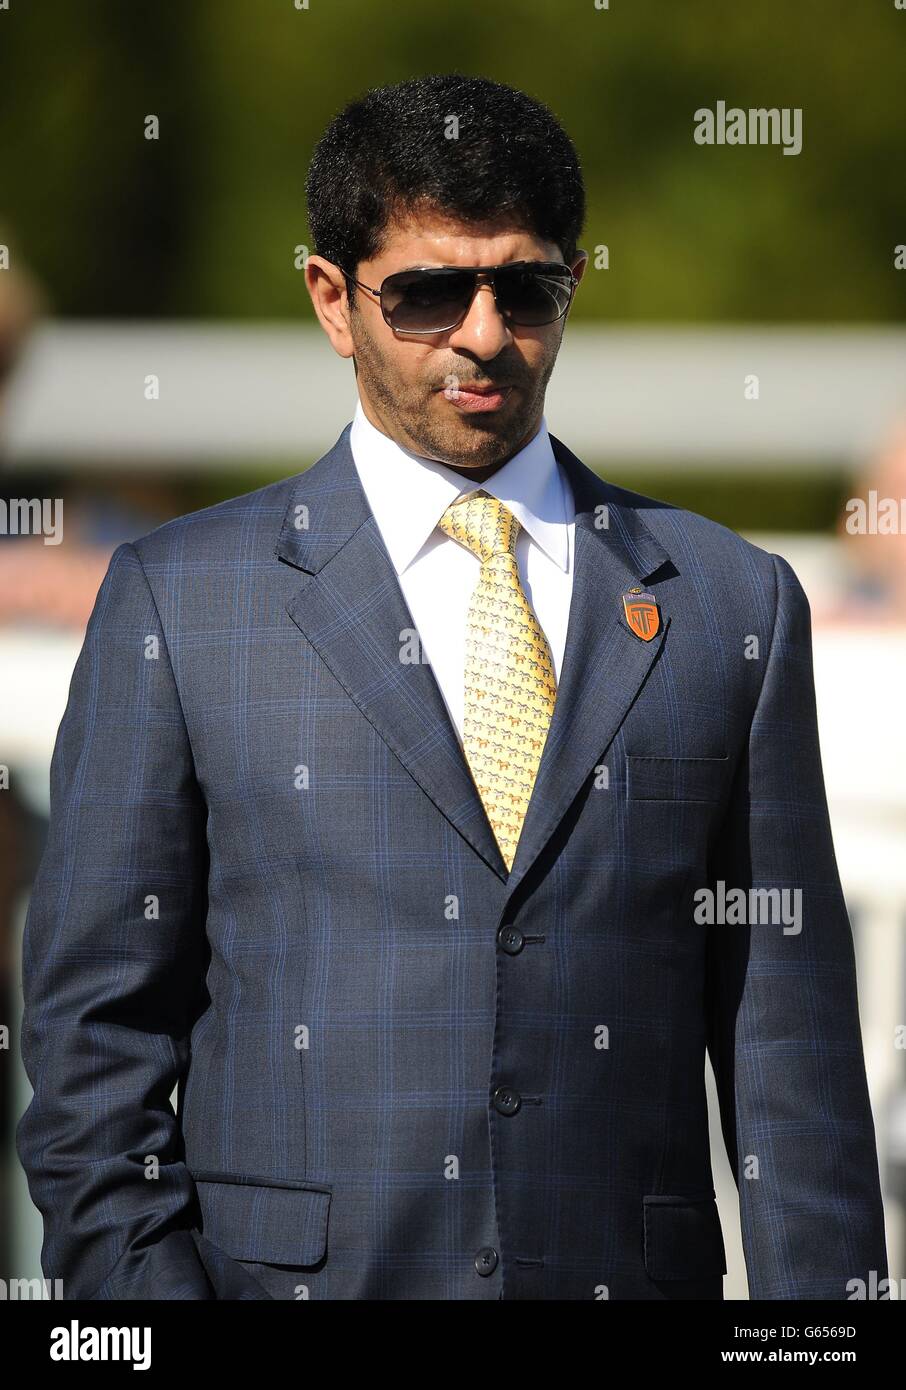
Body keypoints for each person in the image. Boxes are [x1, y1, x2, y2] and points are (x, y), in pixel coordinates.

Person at [16, 73, 887, 1301]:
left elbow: (788, 1052)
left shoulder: (731, 605)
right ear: (332, 297)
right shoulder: (181, 602)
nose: (485, 334)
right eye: (429, 292)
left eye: (524, 286)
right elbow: (93, 1043)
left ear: (572, 284)